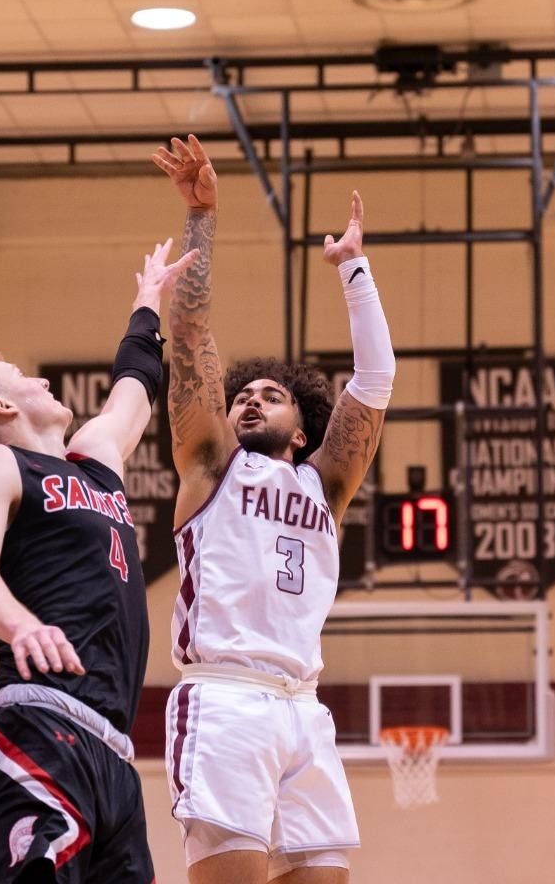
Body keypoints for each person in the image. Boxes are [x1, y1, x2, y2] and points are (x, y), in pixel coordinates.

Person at [153, 134, 395, 884]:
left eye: (271, 395)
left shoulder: (326, 485)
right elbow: (190, 336)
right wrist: (202, 217)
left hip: (304, 708)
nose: (250, 399)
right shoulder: (211, 465)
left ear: (303, 425)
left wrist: (355, 271)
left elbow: (376, 379)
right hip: (226, 698)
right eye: (241, 397)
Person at [0, 238, 194, 884]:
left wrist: (147, 301)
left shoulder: (94, 459)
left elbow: (135, 387)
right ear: (2, 406)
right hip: (37, 728)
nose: (40, 378)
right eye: (22, 375)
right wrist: (21, 626)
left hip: (113, 758)